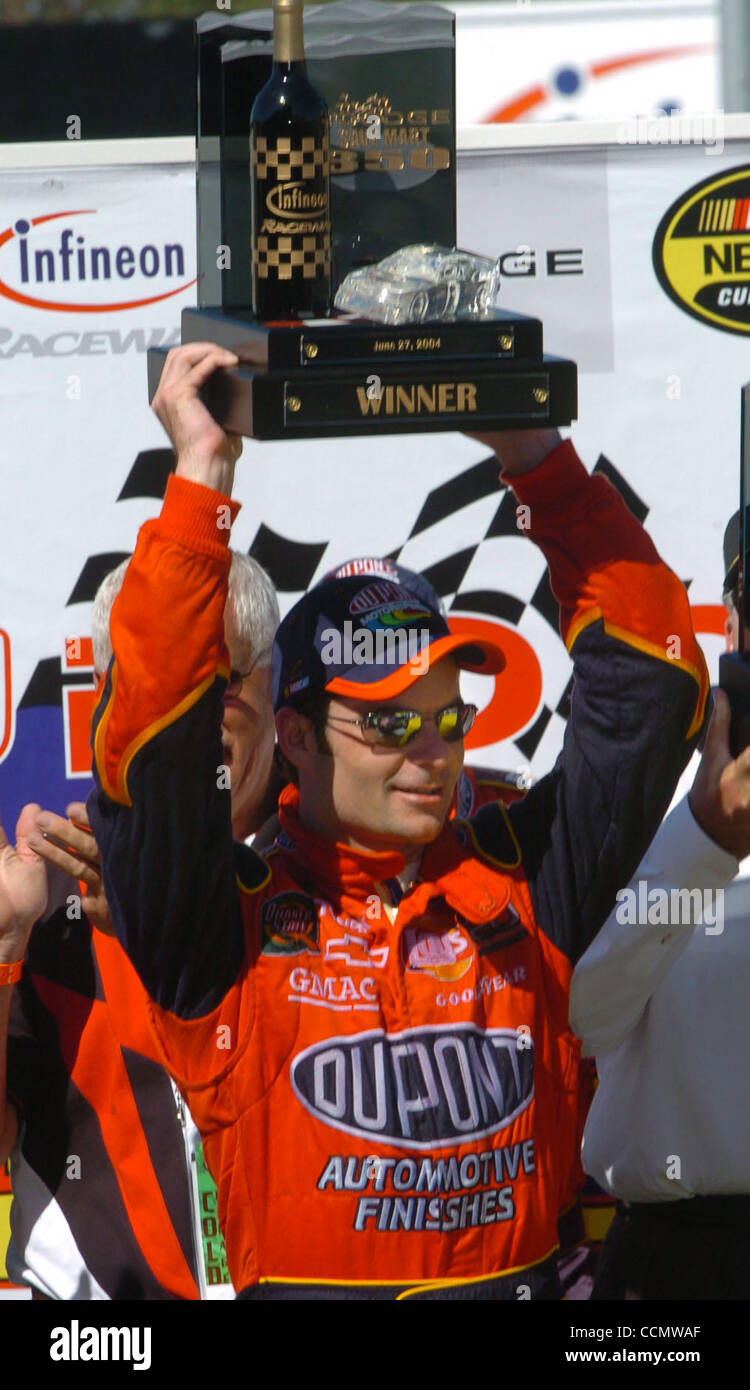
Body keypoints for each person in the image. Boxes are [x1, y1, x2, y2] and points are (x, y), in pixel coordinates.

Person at [78, 340, 708, 1300]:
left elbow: (654, 684)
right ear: (291, 732)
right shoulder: (220, 926)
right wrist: (201, 480)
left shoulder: (527, 882)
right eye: (387, 722)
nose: (432, 752)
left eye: (446, 719)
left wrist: (537, 457)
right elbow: (147, 757)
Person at [0, 546, 278, 1300]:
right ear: (105, 697)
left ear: (276, 695)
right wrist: (3, 946)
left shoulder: (324, 889)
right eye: (159, 685)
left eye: (218, 681)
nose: (185, 722)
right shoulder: (42, 900)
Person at [569, 512, 750, 1301]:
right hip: (674, 1265)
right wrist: (703, 843)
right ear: (733, 620)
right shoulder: (647, 783)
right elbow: (582, 1018)